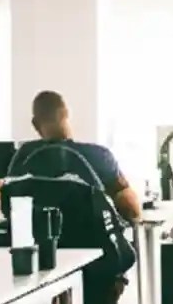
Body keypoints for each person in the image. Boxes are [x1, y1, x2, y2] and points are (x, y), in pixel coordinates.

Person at [8, 91, 142, 224]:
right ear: (66, 113)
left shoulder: (23, 156)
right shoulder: (100, 155)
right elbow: (131, 210)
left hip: (40, 243)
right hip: (93, 242)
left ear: (35, 123)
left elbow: (10, 204)